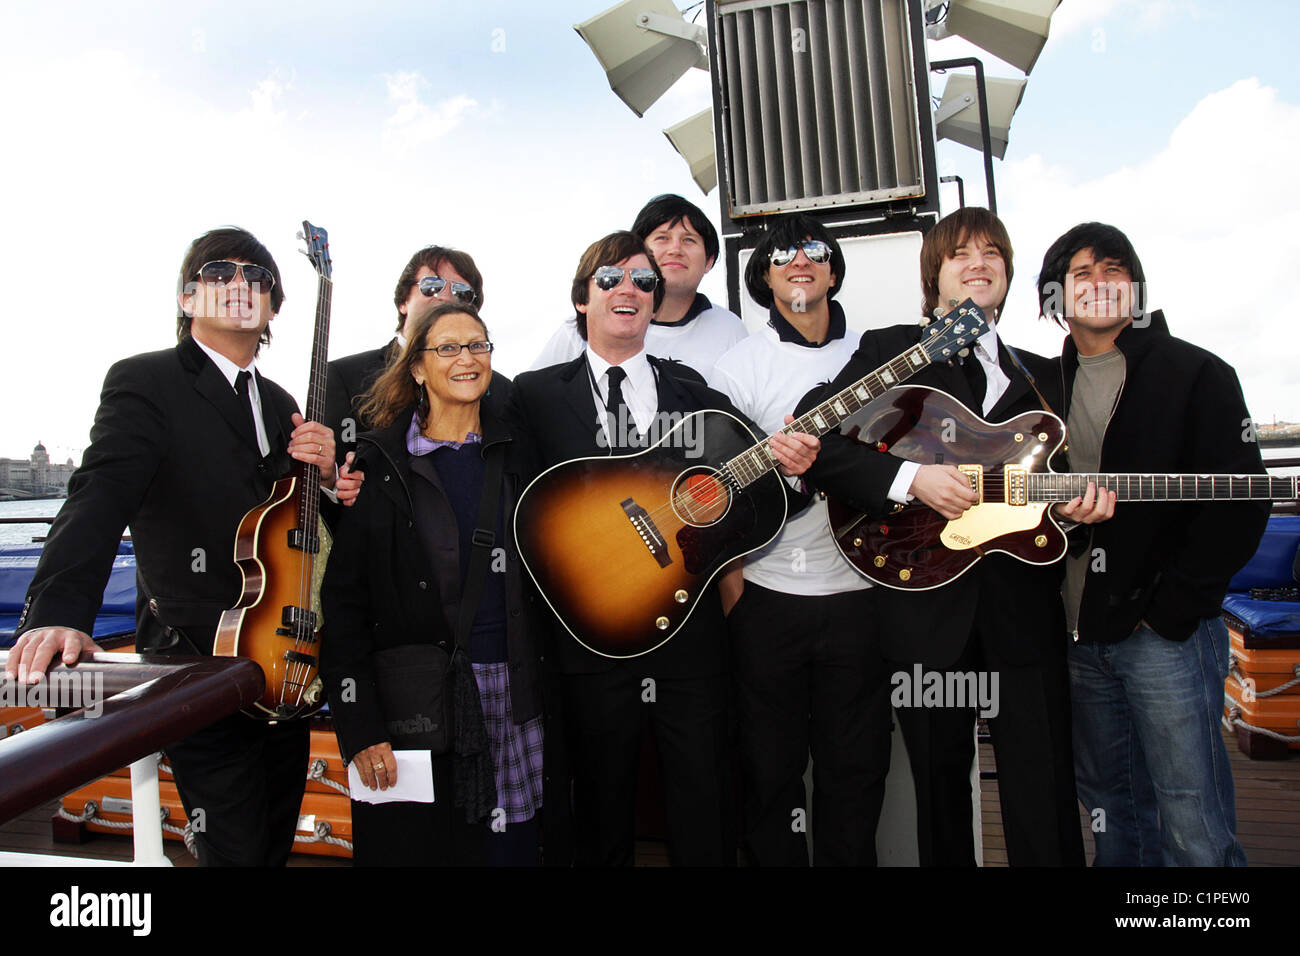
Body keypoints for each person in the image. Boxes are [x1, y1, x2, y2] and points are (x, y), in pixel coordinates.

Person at [4, 227, 339, 866]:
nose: (239, 284)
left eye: (257, 277)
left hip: (285, 659)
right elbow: (99, 495)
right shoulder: (146, 381)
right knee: (233, 851)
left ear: (273, 308)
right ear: (187, 299)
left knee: (273, 841)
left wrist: (325, 483)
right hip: (194, 662)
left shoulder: (281, 403)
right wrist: (58, 614)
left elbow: (294, 531)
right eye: (218, 272)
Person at [796, 207, 1110, 866]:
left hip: (1023, 608)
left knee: (1043, 785)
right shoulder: (890, 351)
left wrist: (1076, 514)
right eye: (960, 253)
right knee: (939, 793)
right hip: (923, 604)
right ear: (932, 274)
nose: (978, 264)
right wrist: (910, 478)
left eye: (992, 253)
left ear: (1008, 274)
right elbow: (816, 440)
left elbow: (1054, 493)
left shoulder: (1044, 375)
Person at [509, 230, 820, 866]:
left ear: (655, 302)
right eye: (610, 278)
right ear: (582, 299)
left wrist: (793, 467)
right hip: (585, 635)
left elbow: (763, 498)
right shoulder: (532, 395)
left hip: (688, 638)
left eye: (644, 281)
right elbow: (498, 492)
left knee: (704, 803)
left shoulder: (694, 392)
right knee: (598, 811)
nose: (628, 289)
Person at [1040, 222, 1270, 866]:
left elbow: (1242, 499)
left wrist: (1172, 609)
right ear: (1055, 295)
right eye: (1081, 273)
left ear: (1136, 288)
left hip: (1166, 636)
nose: (1099, 283)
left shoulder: (1197, 372)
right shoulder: (1043, 388)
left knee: (1192, 815)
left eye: (1114, 270)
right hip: (1076, 633)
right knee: (1112, 809)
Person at [320, 302, 544, 866]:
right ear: (417, 367)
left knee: (511, 853)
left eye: (478, 345)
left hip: (516, 693)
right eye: (447, 347)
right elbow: (344, 605)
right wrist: (360, 726)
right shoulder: (378, 465)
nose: (467, 358)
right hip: (415, 705)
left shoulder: (523, 453)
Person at [708, 214, 890, 865]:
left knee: (857, 773)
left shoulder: (874, 357)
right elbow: (714, 492)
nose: (800, 260)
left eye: (815, 249)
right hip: (767, 597)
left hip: (861, 594)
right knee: (769, 775)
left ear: (833, 271)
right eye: (782, 252)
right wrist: (734, 592)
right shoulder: (737, 367)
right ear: (763, 276)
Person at [324, 244, 509, 464]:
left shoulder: (504, 391)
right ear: (403, 301)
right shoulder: (344, 377)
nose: (446, 297)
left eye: (463, 293)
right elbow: (328, 466)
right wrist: (335, 478)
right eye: (432, 286)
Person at [529, 194, 746, 379]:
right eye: (662, 238)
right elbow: (532, 401)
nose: (675, 249)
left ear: (709, 260)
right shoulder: (582, 328)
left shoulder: (729, 330)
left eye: (689, 240)